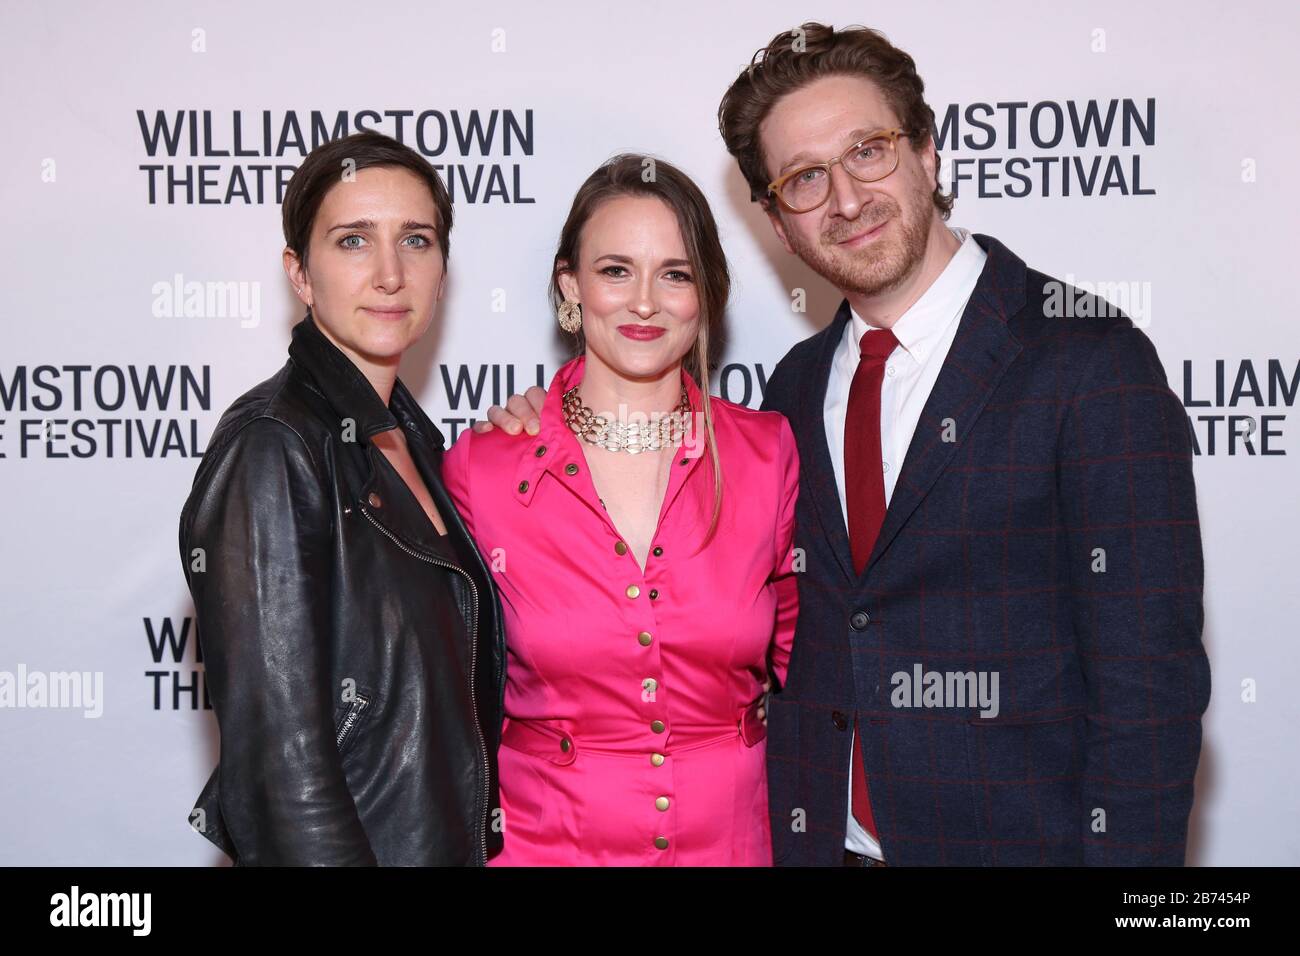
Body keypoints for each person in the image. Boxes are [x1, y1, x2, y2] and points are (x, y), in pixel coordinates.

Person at [481, 23, 1210, 866]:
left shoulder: (1087, 359)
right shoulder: (790, 394)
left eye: (869, 151)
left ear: (929, 154)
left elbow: (1149, 691)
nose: (847, 199)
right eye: (804, 179)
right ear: (777, 224)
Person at [441, 154, 799, 865]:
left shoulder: (766, 454)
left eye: (675, 273)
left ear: (706, 295)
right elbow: (452, 698)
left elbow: (806, 665)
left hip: (734, 848)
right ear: (570, 285)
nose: (644, 302)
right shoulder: (485, 467)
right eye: (614, 271)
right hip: (547, 849)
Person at [179, 130, 505, 865]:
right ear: (300, 273)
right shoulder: (276, 444)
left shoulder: (413, 443)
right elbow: (279, 773)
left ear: (443, 271)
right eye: (354, 241)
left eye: (416, 241)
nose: (390, 274)